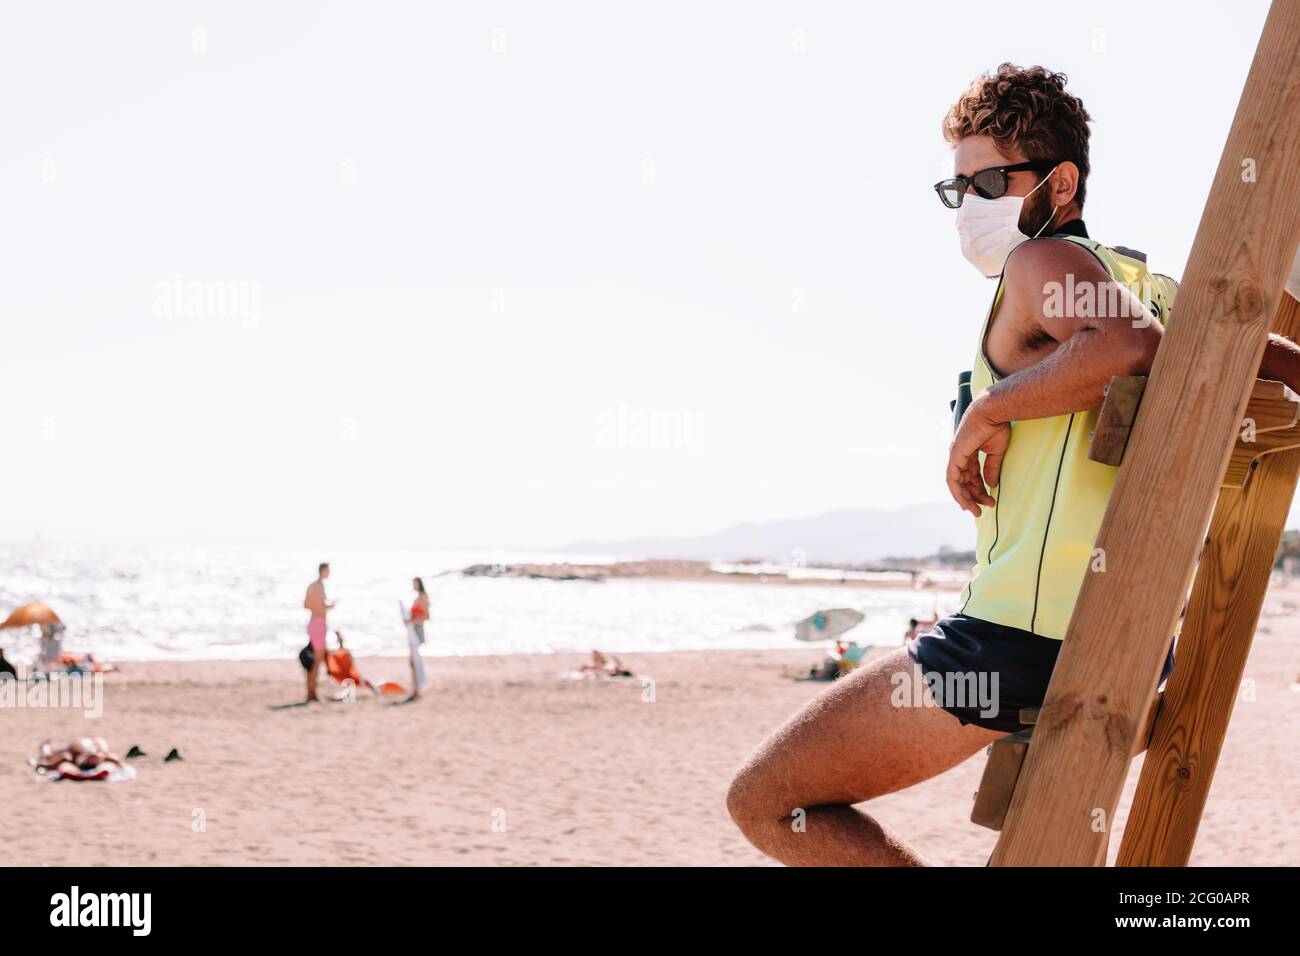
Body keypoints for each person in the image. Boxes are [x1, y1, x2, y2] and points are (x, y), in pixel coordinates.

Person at [727, 63, 1300, 867]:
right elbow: (1265, 353)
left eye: (990, 181)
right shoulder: (1160, 288)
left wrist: (989, 410)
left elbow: (1126, 344)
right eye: (956, 189)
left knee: (764, 800)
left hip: (1014, 646)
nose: (970, 207)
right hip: (1131, 642)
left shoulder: (1040, 265)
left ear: (1059, 182)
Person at [302, 562, 335, 703]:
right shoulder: (319, 586)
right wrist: (328, 606)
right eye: (328, 570)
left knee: (314, 660)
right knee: (316, 660)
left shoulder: (311, 586)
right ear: (323, 571)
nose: (329, 573)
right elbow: (321, 606)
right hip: (318, 625)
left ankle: (311, 691)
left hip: (313, 624)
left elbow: (306, 604)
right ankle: (312, 693)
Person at [404, 578, 431, 701]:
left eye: (414, 583)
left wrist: (411, 621)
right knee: (413, 662)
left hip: (417, 630)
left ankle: (418, 689)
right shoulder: (417, 597)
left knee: (415, 662)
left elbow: (426, 616)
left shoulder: (423, 597)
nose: (413, 586)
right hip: (412, 630)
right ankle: (416, 688)